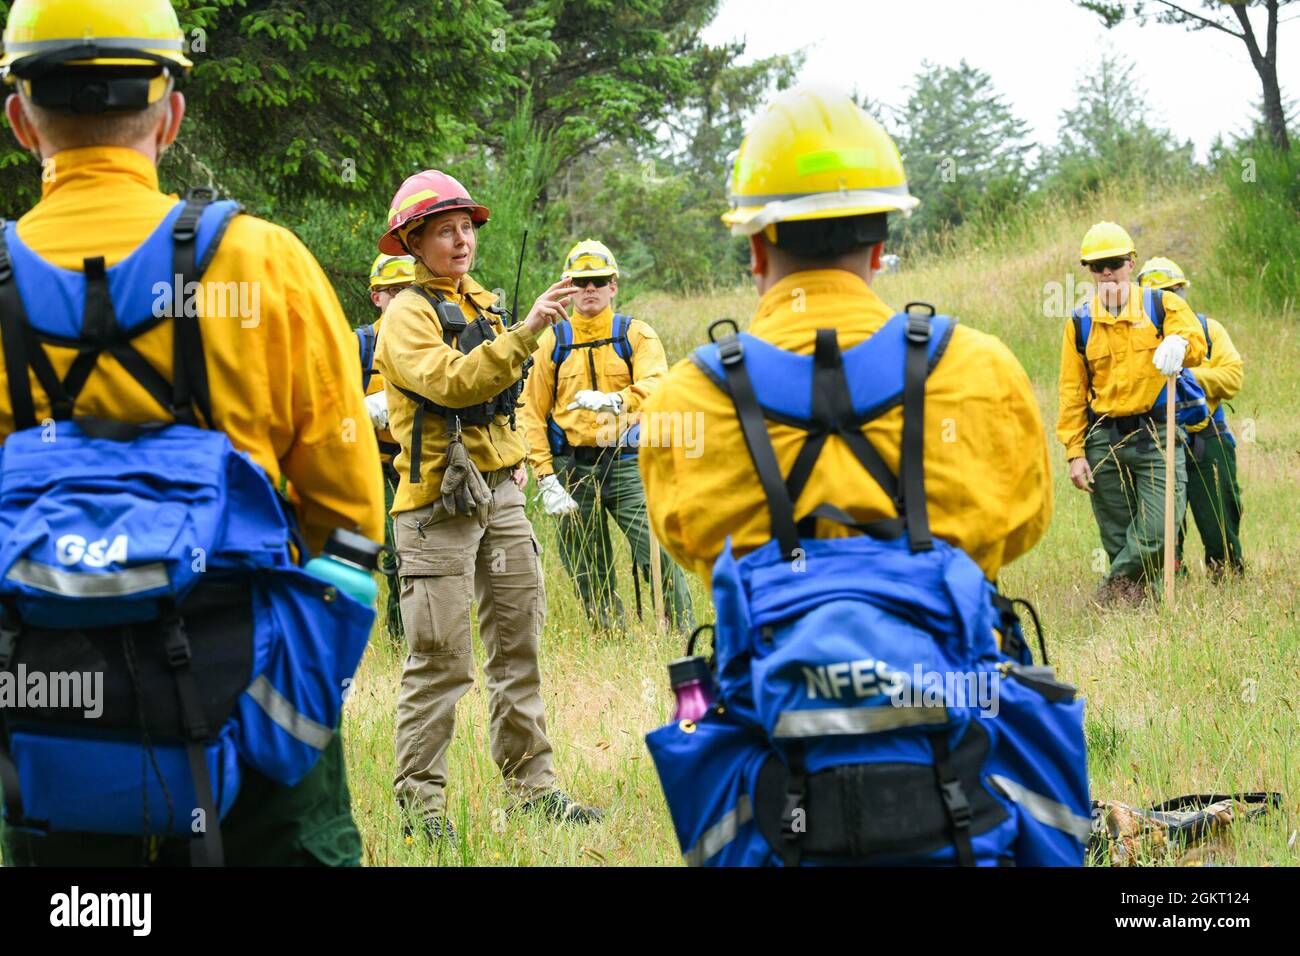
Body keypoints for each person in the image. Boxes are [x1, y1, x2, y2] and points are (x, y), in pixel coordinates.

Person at [640, 88, 1088, 867]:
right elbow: (1022, 525)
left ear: (754, 247)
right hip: (958, 784)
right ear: (882, 243)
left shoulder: (690, 395)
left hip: (785, 795)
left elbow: (689, 542)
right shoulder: (979, 367)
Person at [0, 0, 383, 866]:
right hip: (251, 706)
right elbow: (351, 514)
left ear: (21, 119)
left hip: (46, 722)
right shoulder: (261, 261)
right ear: (171, 113)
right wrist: (298, 690)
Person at [374, 170, 602, 840]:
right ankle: (423, 813)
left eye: (467, 226)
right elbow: (452, 381)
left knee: (517, 648)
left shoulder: (483, 304)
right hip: (437, 505)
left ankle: (534, 793)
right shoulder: (407, 313)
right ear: (414, 240)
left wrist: (518, 327)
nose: (461, 239)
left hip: (501, 496)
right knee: (441, 660)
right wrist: (529, 328)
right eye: (444, 229)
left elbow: (505, 393)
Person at [522, 239, 693, 632]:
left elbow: (658, 383)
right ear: (567, 287)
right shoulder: (552, 341)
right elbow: (529, 410)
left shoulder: (635, 334)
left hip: (627, 462)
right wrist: (545, 476)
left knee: (658, 552)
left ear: (613, 285)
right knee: (586, 564)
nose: (589, 289)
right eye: (580, 282)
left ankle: (682, 634)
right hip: (571, 468)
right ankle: (608, 637)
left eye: (598, 280)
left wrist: (620, 401)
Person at [1058, 223, 1207, 604]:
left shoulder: (1162, 305)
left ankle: (1108, 593)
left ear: (1131, 262)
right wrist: (1075, 453)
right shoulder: (1079, 322)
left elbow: (1195, 343)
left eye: (1115, 262)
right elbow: (1072, 393)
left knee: (1157, 531)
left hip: (1156, 434)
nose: (1107, 272)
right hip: (1103, 440)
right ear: (1088, 271)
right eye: (1097, 266)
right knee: (1116, 533)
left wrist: (1178, 342)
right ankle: (1140, 608)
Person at [1137, 257, 1245, 577]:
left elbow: (1232, 377)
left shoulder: (1208, 330)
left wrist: (1187, 377)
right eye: (1158, 295)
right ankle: (1169, 582)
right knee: (1163, 527)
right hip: (1154, 438)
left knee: (1220, 522)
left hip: (1207, 436)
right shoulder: (1134, 341)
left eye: (1173, 291)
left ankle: (1226, 579)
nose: (1168, 301)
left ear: (1183, 291)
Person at [358, 252, 417, 643]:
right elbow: (325, 407)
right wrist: (359, 410)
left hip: (415, 464)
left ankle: (402, 640)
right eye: (389, 291)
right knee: (373, 550)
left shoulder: (427, 341)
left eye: (406, 290)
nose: (397, 298)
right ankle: (355, 636)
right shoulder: (358, 344)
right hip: (368, 465)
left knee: (409, 556)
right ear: (376, 296)